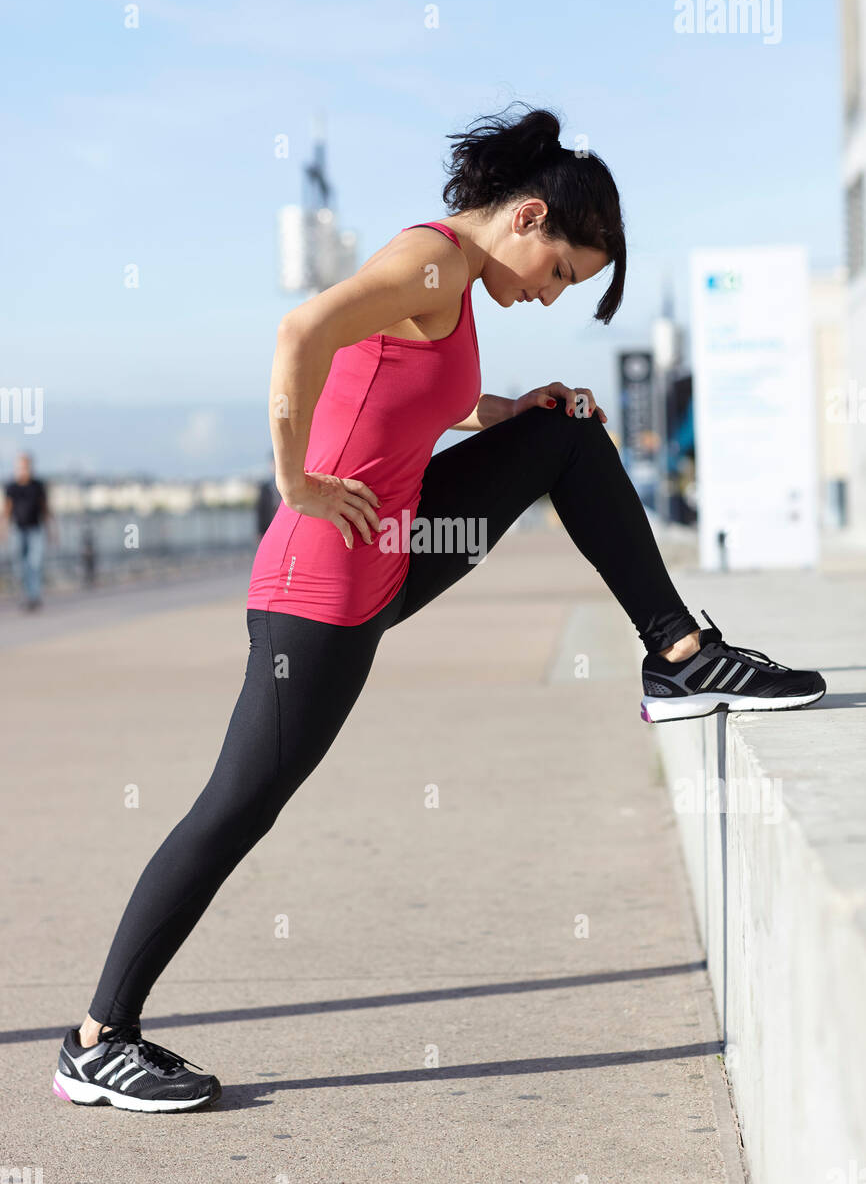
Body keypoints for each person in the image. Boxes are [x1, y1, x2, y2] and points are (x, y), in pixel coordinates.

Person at [53, 105, 826, 1113]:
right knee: (238, 803)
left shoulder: (452, 283)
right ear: (527, 218)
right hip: (323, 578)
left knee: (562, 430)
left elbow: (406, 384)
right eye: (557, 272)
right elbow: (301, 331)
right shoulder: (429, 265)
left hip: (392, 548)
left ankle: (676, 651)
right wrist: (297, 483)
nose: (548, 296)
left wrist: (496, 414)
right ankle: (98, 1036)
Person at [2, 452, 54, 610]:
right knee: (21, 565)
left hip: (36, 530)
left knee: (35, 563)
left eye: (26, 466)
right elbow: (7, 510)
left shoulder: (38, 485)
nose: (24, 469)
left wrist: (51, 530)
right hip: (18, 530)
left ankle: (34, 596)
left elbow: (45, 509)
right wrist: (3, 530)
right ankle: (26, 595)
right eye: (21, 466)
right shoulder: (12, 487)